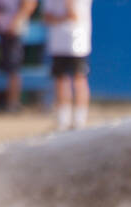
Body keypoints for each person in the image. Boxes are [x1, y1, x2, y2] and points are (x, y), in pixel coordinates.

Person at [42, 0, 90, 129]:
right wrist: (61, 18)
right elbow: (46, 17)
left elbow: (73, 14)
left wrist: (60, 16)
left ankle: (80, 120)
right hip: (58, 44)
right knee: (60, 79)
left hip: (77, 43)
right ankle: (63, 120)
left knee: (79, 79)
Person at [0, 0, 36, 112]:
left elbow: (29, 4)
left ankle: (13, 103)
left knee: (13, 69)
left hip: (14, 32)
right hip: (0, 31)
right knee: (1, 67)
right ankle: (1, 100)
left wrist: (15, 23)